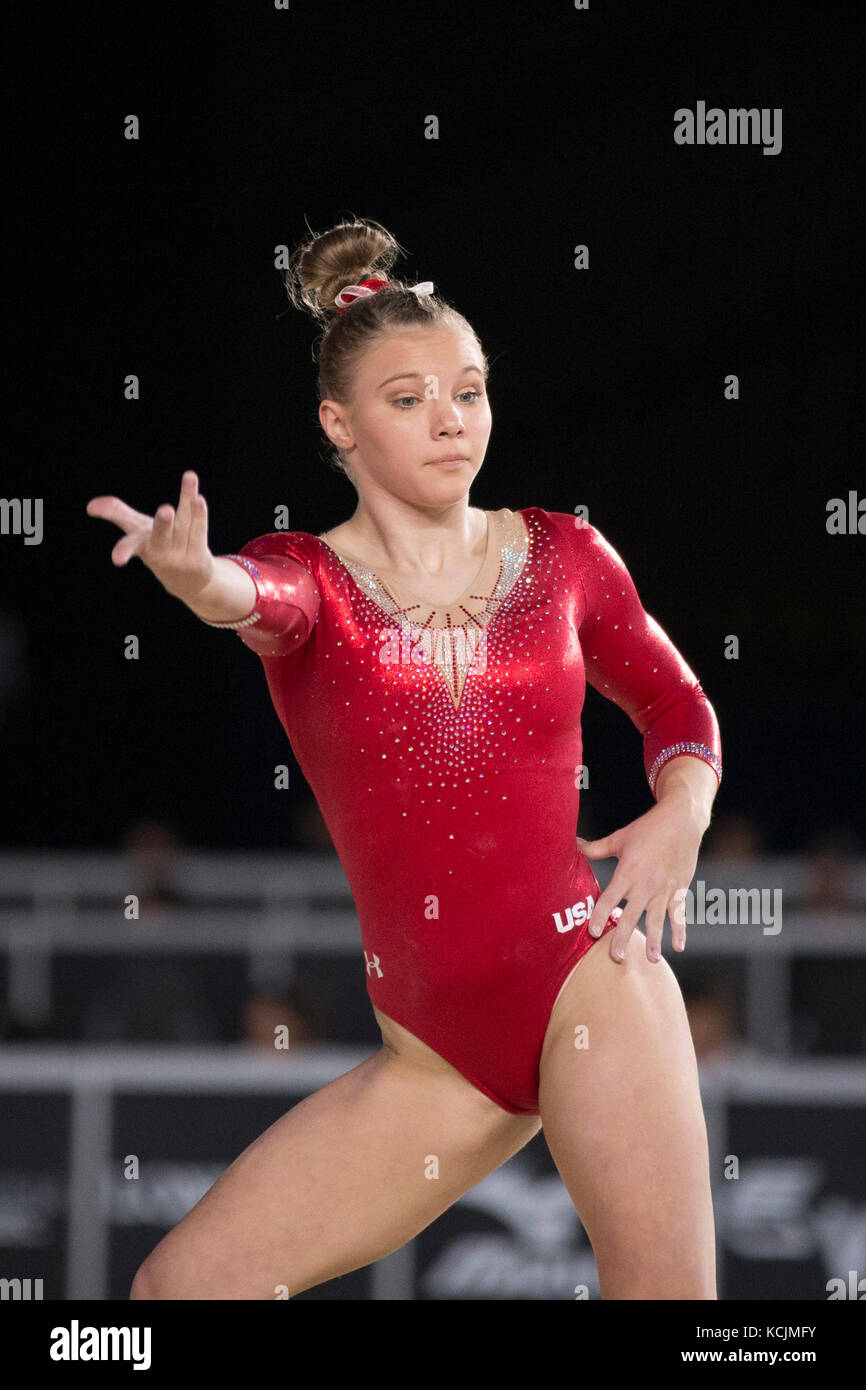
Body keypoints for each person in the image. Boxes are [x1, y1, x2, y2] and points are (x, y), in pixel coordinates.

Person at [88, 217, 723, 1300]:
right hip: (435, 1053)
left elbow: (673, 700)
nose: (450, 422)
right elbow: (249, 597)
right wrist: (195, 579)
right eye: (408, 398)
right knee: (181, 1291)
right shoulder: (312, 581)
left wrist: (682, 810)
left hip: (589, 984)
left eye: (468, 391)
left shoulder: (560, 555)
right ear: (337, 422)